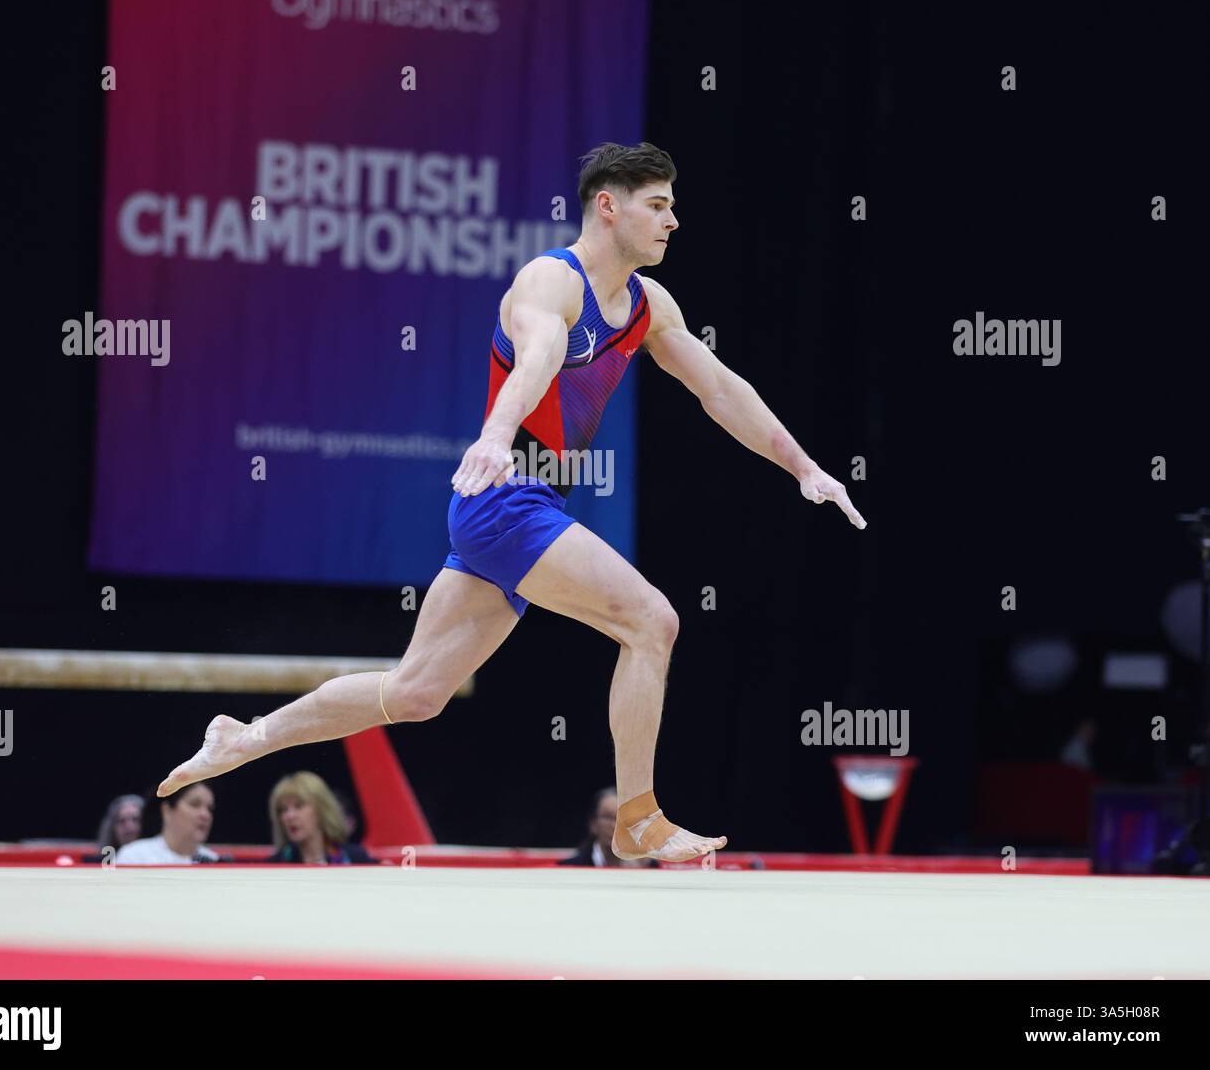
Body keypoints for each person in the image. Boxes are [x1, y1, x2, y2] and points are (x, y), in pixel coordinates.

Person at [158, 142, 866, 863]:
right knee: (651, 621)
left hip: (519, 508)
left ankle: (242, 737)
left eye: (674, 207)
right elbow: (536, 359)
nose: (673, 221)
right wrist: (497, 434)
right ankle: (639, 818)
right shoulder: (549, 282)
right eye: (659, 205)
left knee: (414, 693)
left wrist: (802, 465)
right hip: (508, 498)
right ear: (608, 206)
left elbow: (719, 389)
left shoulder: (648, 307)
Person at [264, 772, 376, 865]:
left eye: (299, 806)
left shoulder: (356, 858)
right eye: (283, 810)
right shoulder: (274, 865)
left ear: (321, 809)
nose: (289, 816)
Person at [116, 783, 218, 865]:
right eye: (194, 804)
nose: (205, 815)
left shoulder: (213, 860)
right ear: (167, 810)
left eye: (210, 809)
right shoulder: (134, 857)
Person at [559, 786, 656, 868]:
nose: (615, 826)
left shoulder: (649, 868)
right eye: (608, 817)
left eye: (622, 819)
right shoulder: (570, 868)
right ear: (593, 823)